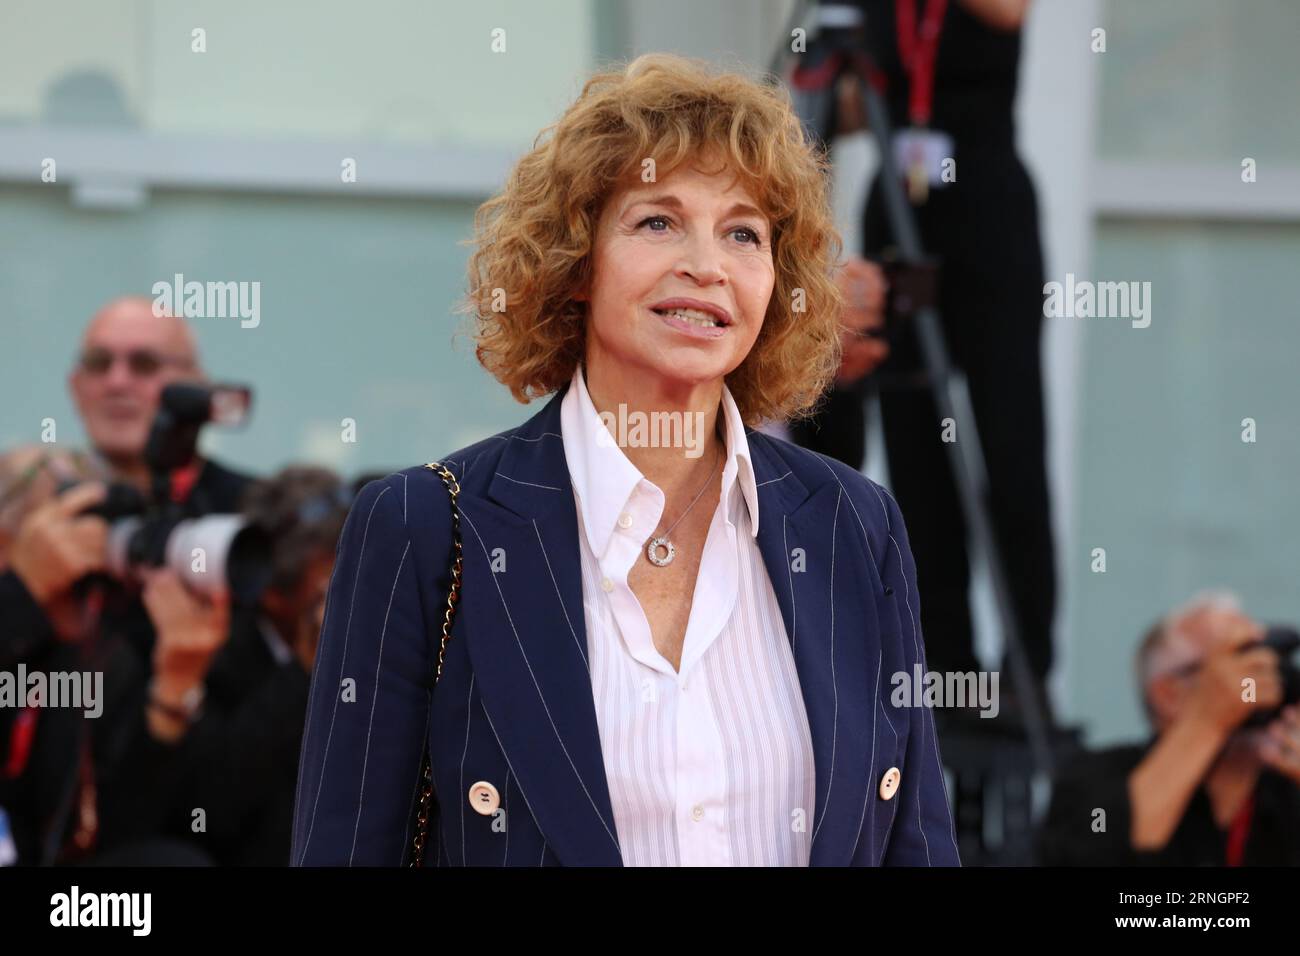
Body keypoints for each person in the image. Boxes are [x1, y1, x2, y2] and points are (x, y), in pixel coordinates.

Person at [292, 53, 959, 867]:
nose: (707, 265)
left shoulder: (857, 525)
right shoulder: (427, 527)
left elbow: (915, 844)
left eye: (743, 232)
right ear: (577, 262)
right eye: (657, 222)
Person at [0, 297, 252, 864]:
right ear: (74, 385)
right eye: (98, 362)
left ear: (196, 388)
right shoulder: (30, 508)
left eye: (144, 364)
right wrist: (22, 594)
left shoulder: (246, 524)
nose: (118, 381)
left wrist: (177, 688)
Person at [1037, 592, 1300, 866]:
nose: (1263, 683)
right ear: (1169, 695)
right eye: (1243, 661)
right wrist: (1207, 721)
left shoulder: (1285, 793)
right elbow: (1095, 853)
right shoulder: (1094, 779)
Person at [183, 467, 350, 866]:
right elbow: (213, 812)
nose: (361, 586)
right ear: (273, 591)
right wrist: (306, 668)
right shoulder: (215, 657)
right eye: (338, 576)